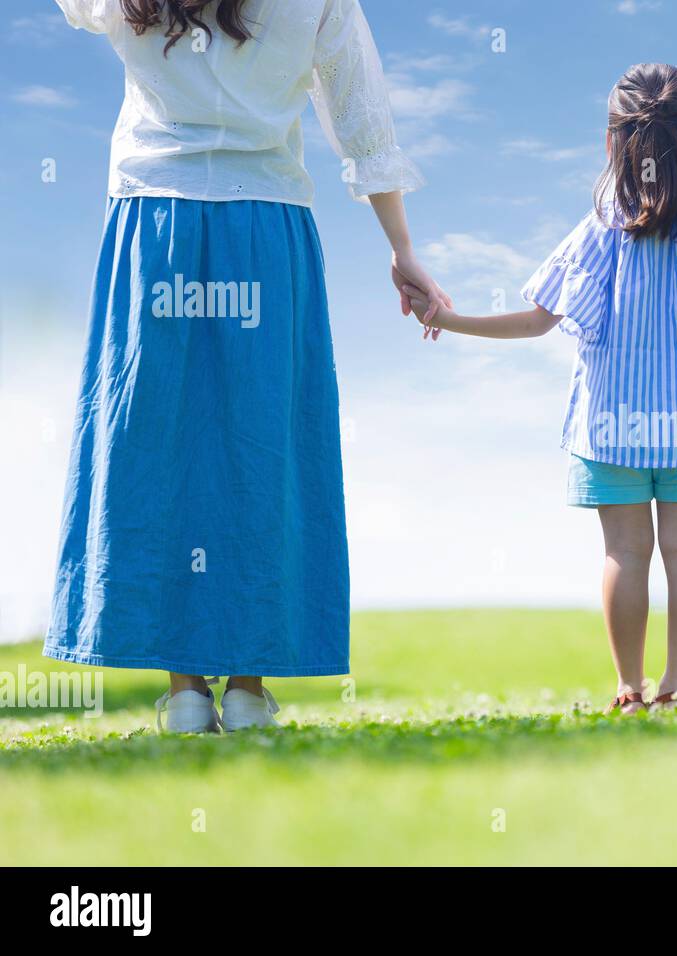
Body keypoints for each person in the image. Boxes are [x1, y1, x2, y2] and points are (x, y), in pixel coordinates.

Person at [44, 0, 448, 732]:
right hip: (266, 226)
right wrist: (402, 250)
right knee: (262, 447)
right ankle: (247, 688)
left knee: (162, 443)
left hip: (154, 225)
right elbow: (363, 123)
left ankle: (187, 692)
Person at [404, 63, 677, 714]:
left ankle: (628, 687)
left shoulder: (599, 229)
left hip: (609, 425)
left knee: (624, 553)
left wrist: (447, 317)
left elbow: (537, 320)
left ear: (614, 144)